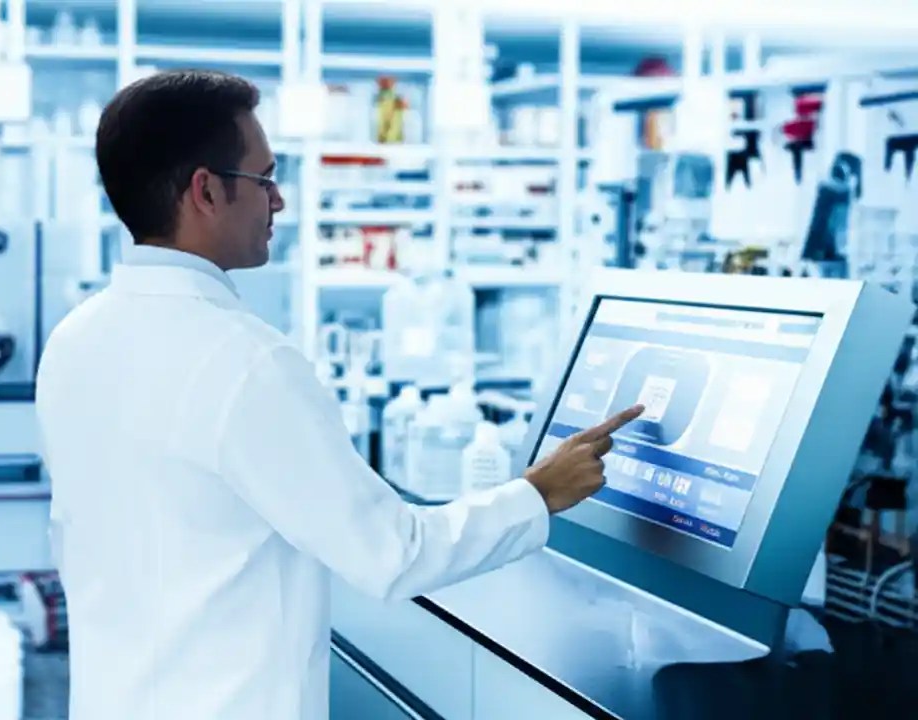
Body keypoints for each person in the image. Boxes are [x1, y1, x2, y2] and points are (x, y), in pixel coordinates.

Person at [34, 69, 643, 720]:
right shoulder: (247, 362)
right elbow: (392, 552)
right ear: (205, 191)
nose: (279, 202)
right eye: (265, 179)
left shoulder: (75, 339)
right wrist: (540, 493)